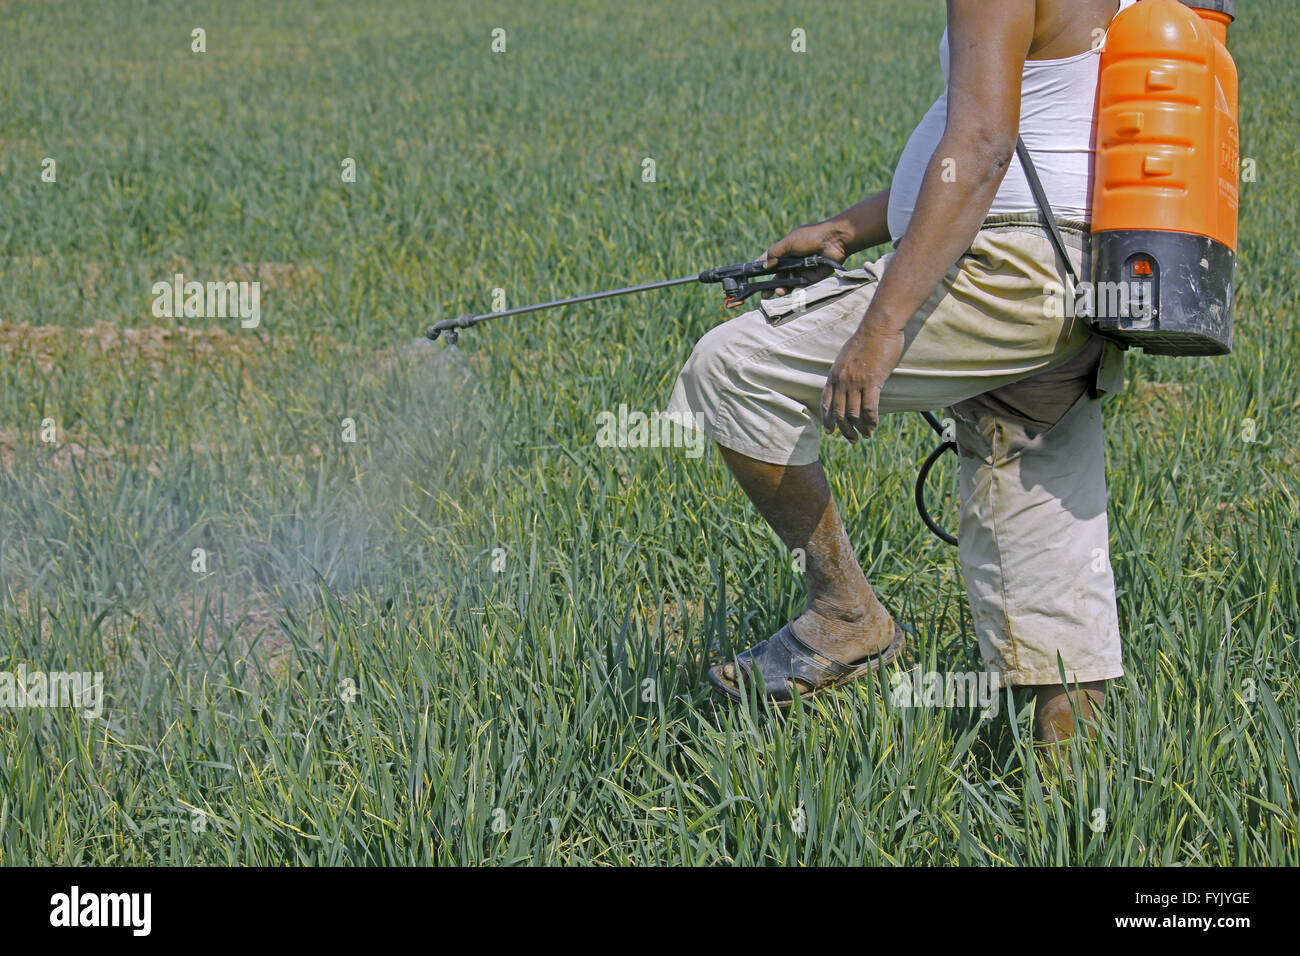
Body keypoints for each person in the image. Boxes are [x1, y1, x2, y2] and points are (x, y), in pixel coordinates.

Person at [666, 0, 1137, 742]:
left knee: (733, 368)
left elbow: (981, 145)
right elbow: (1016, 138)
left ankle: (847, 614)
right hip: (1084, 278)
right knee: (1041, 538)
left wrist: (880, 327)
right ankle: (1076, 814)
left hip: (1001, 271)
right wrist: (847, 230)